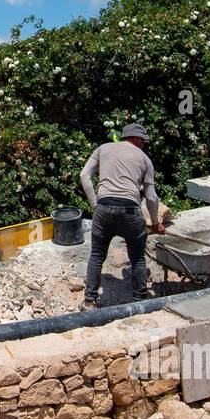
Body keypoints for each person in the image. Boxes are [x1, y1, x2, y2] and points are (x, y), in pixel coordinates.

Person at [79, 122, 164, 307]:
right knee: (138, 258)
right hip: (130, 211)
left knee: (96, 255)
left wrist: (95, 204)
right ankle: (140, 302)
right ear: (136, 138)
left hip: (103, 209)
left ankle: (89, 301)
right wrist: (156, 222)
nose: (143, 144)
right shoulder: (145, 159)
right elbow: (151, 197)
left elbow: (84, 176)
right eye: (143, 140)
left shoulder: (103, 148)